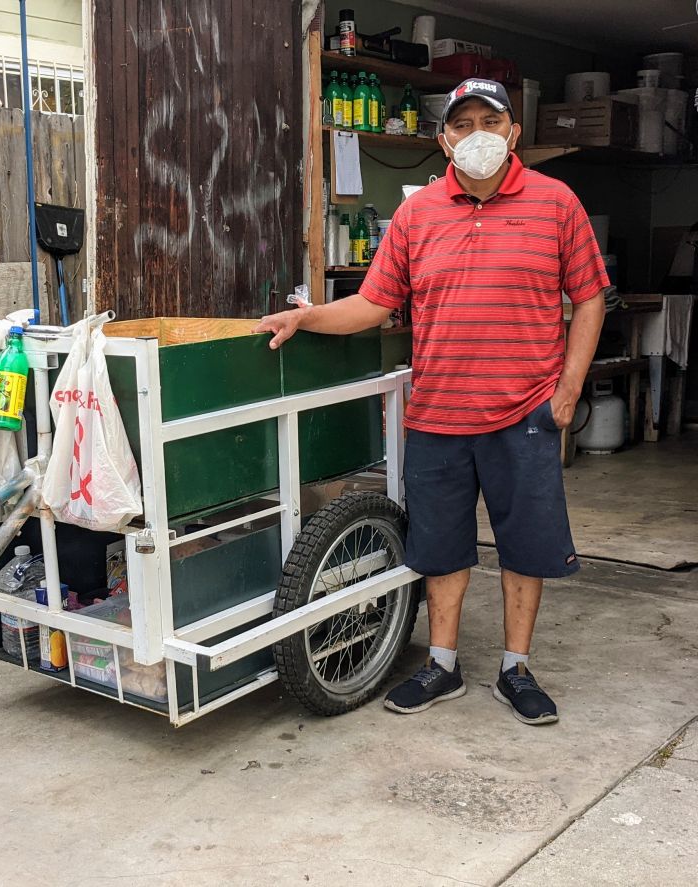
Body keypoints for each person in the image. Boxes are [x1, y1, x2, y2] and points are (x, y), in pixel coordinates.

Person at [254, 79, 607, 726]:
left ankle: (515, 668)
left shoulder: (556, 204)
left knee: (525, 546)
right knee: (440, 546)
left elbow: (588, 295)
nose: (476, 134)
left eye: (490, 121)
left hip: (524, 412)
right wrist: (307, 319)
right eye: (462, 122)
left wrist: (568, 390)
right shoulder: (418, 215)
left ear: (513, 132)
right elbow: (374, 303)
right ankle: (442, 664)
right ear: (443, 138)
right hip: (440, 414)